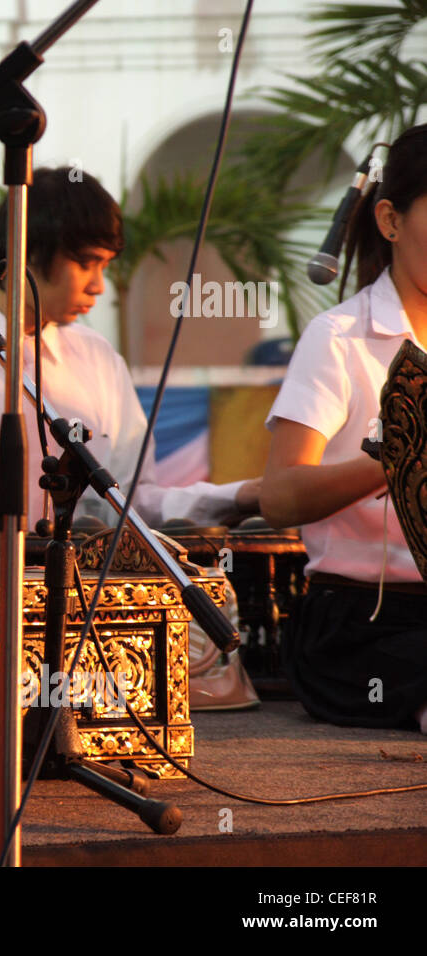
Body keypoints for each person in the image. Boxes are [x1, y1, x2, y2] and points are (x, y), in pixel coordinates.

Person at [0, 167, 260, 533]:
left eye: (106, 265)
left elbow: (133, 501)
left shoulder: (99, 359)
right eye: (87, 262)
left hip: (82, 604)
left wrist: (241, 496)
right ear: (27, 253)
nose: (99, 285)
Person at [262, 123, 427, 732]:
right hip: (362, 625)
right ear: (390, 220)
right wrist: (400, 455)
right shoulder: (339, 337)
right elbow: (280, 495)